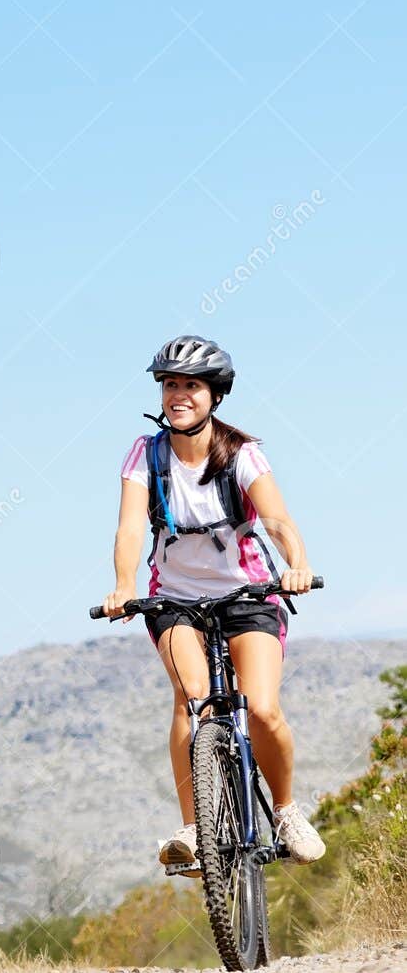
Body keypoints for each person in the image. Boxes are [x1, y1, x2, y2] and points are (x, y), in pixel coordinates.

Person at [103, 334, 325, 869]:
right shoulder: (146, 453)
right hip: (175, 599)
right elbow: (131, 527)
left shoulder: (241, 453)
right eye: (171, 385)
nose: (179, 394)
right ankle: (194, 828)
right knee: (192, 699)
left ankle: (288, 810)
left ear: (214, 395)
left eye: (192, 386)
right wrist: (123, 585)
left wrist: (295, 563)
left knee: (263, 708)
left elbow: (276, 519)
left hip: (247, 594)